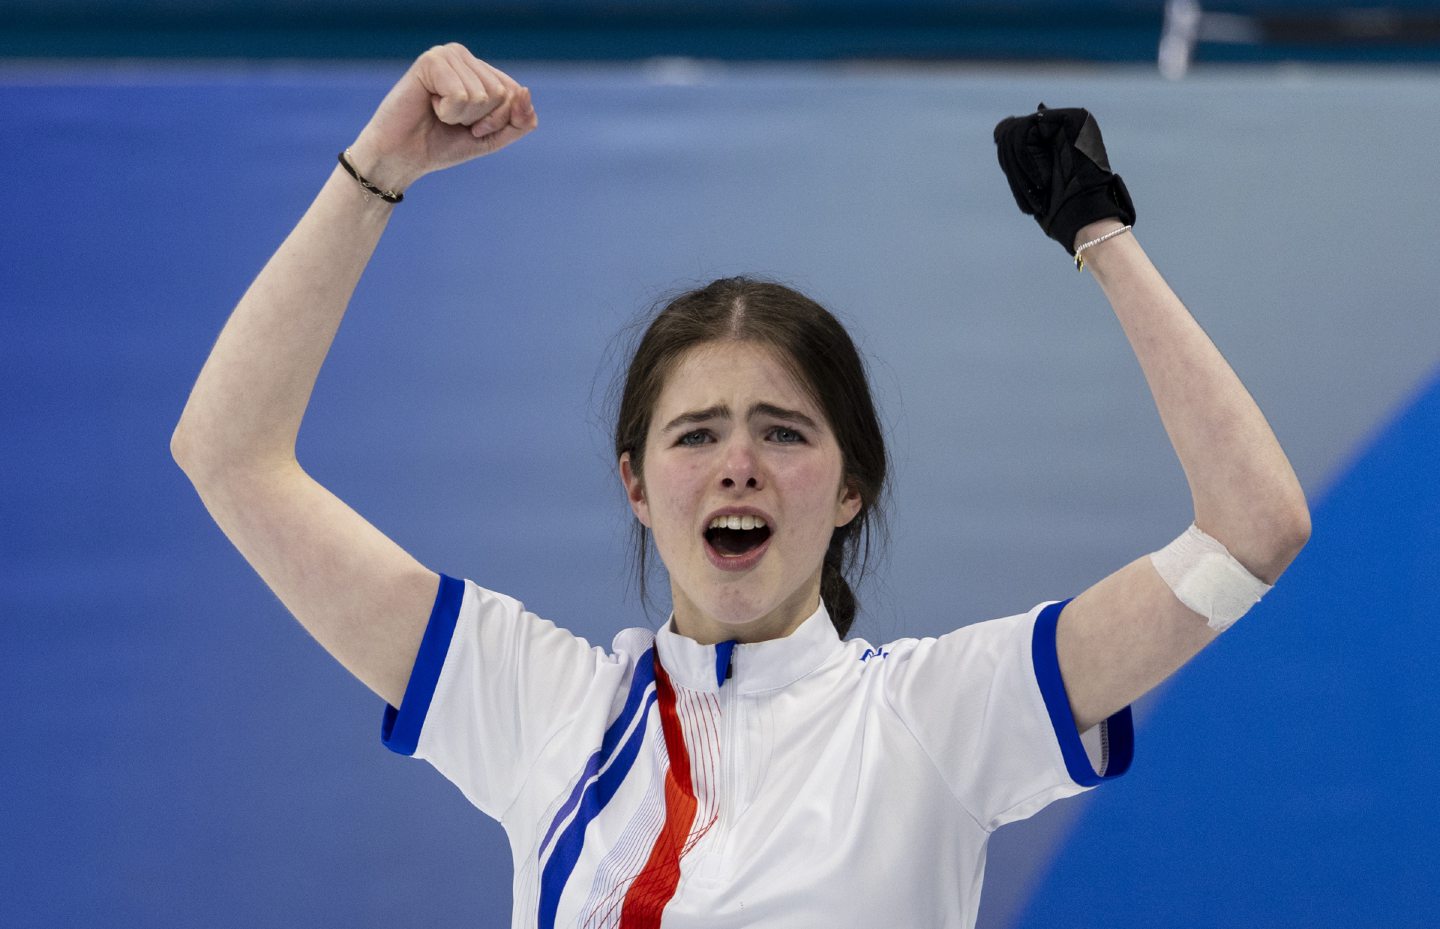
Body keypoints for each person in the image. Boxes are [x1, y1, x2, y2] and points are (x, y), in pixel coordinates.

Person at [171, 43, 1310, 929]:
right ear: (634, 483)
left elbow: (1251, 528)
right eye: (696, 433)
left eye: (783, 430)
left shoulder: (940, 715)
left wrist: (1099, 232)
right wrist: (378, 169)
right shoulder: (531, 699)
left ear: (852, 485)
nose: (737, 462)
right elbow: (229, 454)